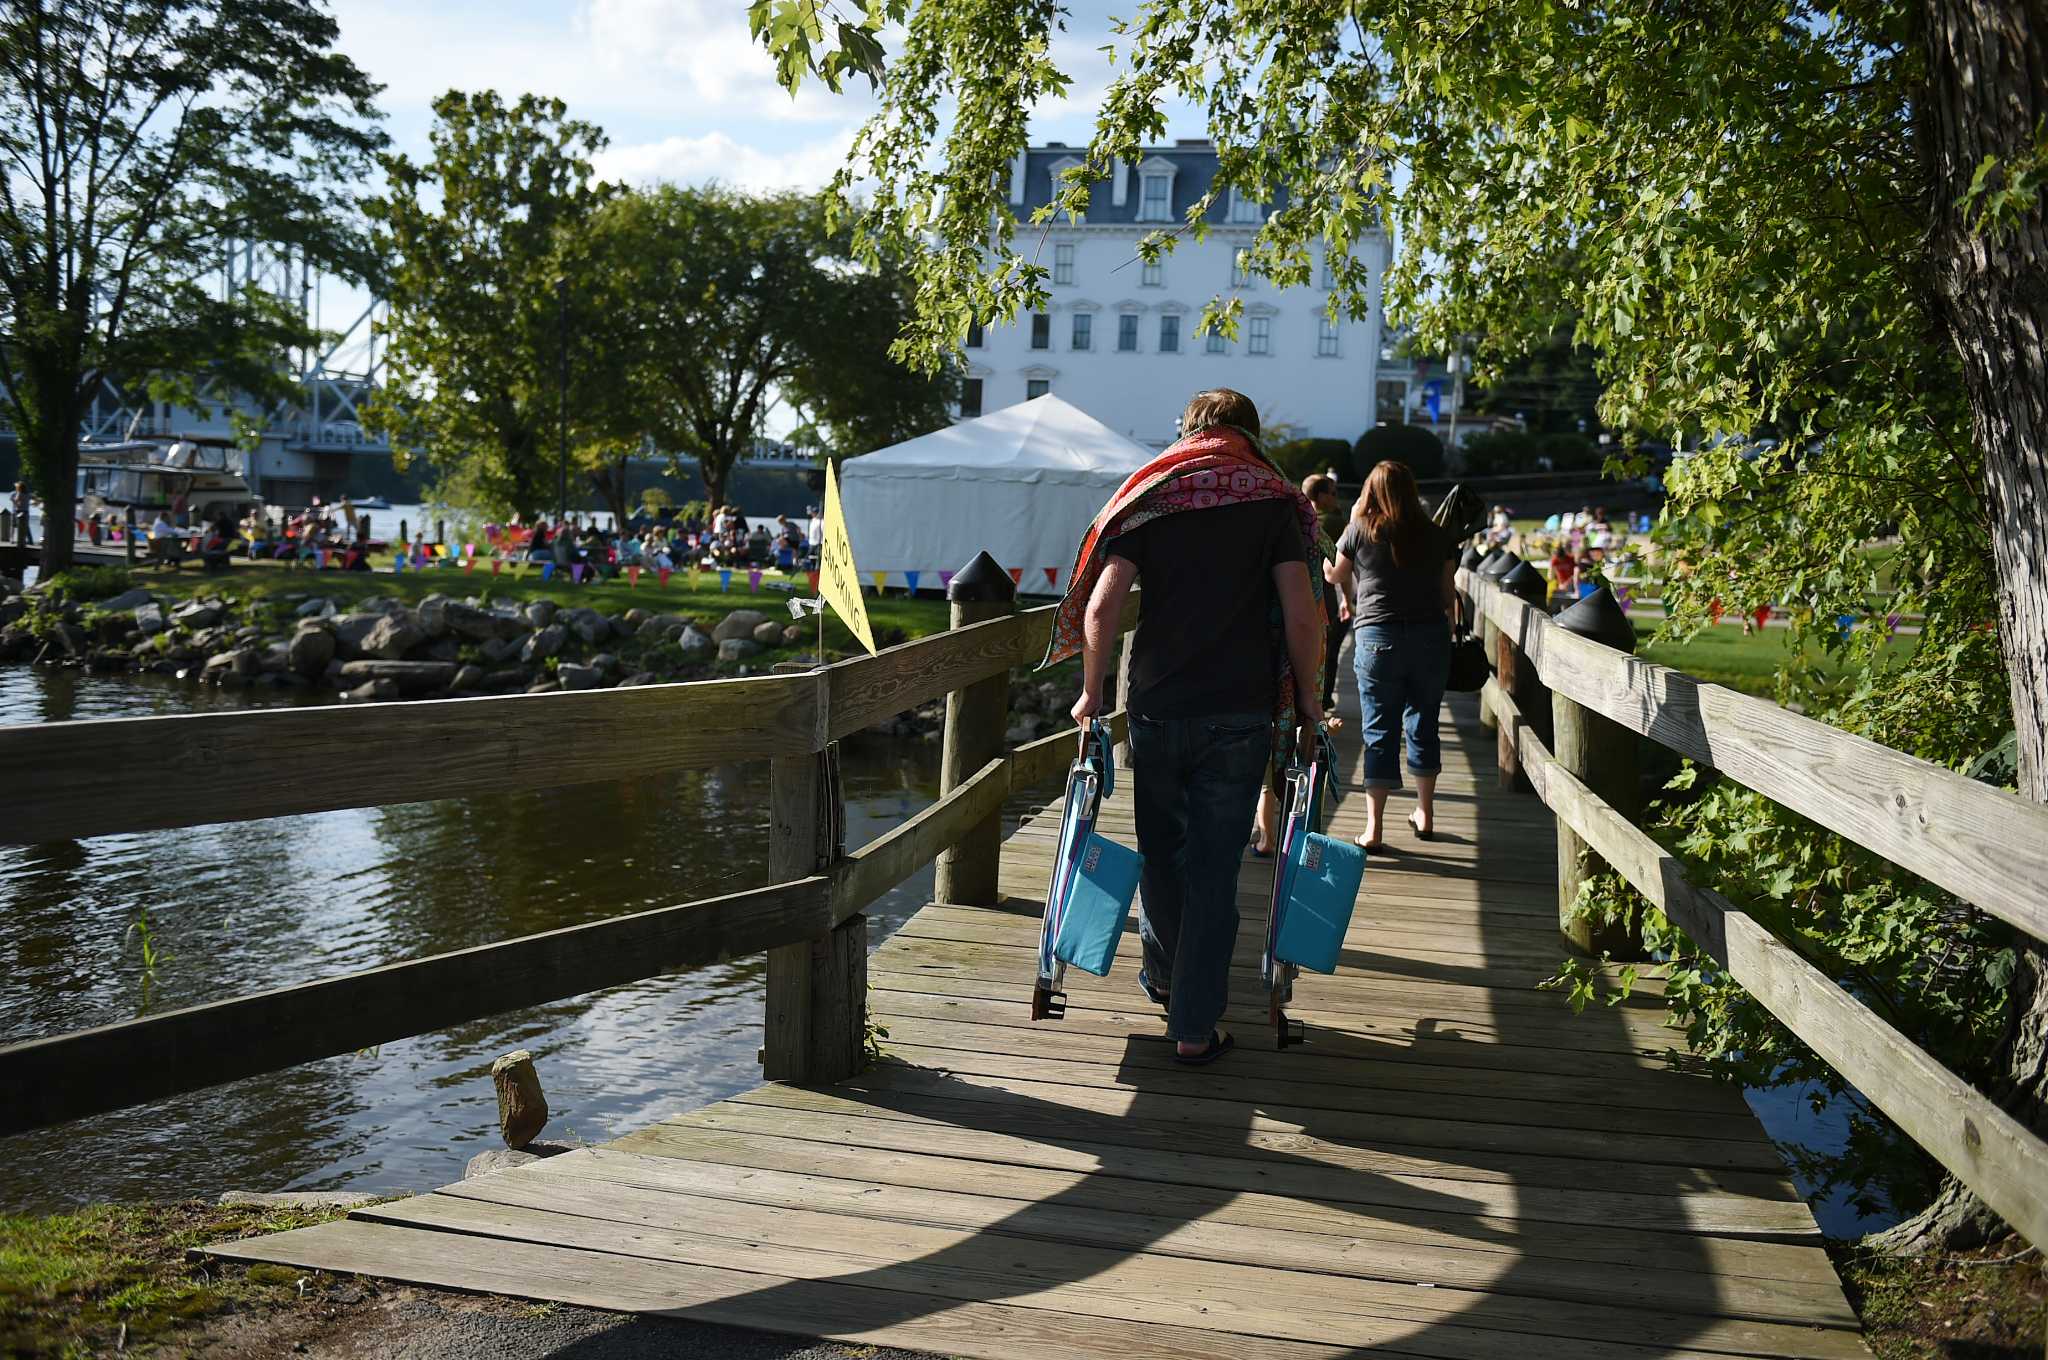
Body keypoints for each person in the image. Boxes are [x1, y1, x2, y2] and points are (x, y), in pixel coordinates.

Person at [1061, 388, 1326, 1065]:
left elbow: (1101, 610)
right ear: (1250, 434)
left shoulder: (1154, 497)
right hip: (1238, 708)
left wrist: (1092, 693)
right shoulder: (1271, 501)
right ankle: (1193, 1024)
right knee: (1213, 870)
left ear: (1189, 431)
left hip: (1156, 704)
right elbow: (1303, 615)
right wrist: (1308, 706)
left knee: (1164, 858)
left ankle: (1171, 984)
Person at [1329, 460, 1458, 851]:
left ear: (1370, 490)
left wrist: (1345, 531)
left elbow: (1336, 574)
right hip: (1429, 636)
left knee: (1379, 730)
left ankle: (1374, 828)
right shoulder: (1437, 535)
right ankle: (1425, 813)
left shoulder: (1358, 530)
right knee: (1424, 722)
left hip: (1376, 637)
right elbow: (1448, 594)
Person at [1252, 471, 1348, 855]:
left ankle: (1267, 836)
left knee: (1264, 749)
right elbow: (1327, 581)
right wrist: (1312, 695)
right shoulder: (1313, 528)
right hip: (1309, 632)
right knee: (1295, 741)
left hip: (1254, 651)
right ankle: (1296, 833)